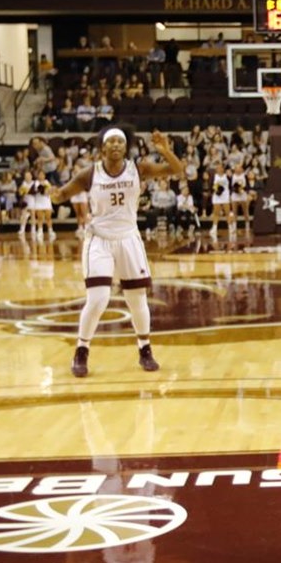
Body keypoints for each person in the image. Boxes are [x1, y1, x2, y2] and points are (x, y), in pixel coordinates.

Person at [51, 127, 183, 377]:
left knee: (137, 299)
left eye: (119, 141)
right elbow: (62, 195)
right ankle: (81, 350)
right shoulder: (90, 173)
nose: (115, 145)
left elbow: (177, 170)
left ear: (126, 147)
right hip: (99, 239)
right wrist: (54, 195)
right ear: (102, 147)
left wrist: (165, 151)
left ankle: (145, 349)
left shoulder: (138, 169)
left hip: (128, 238)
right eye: (110, 141)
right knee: (98, 299)